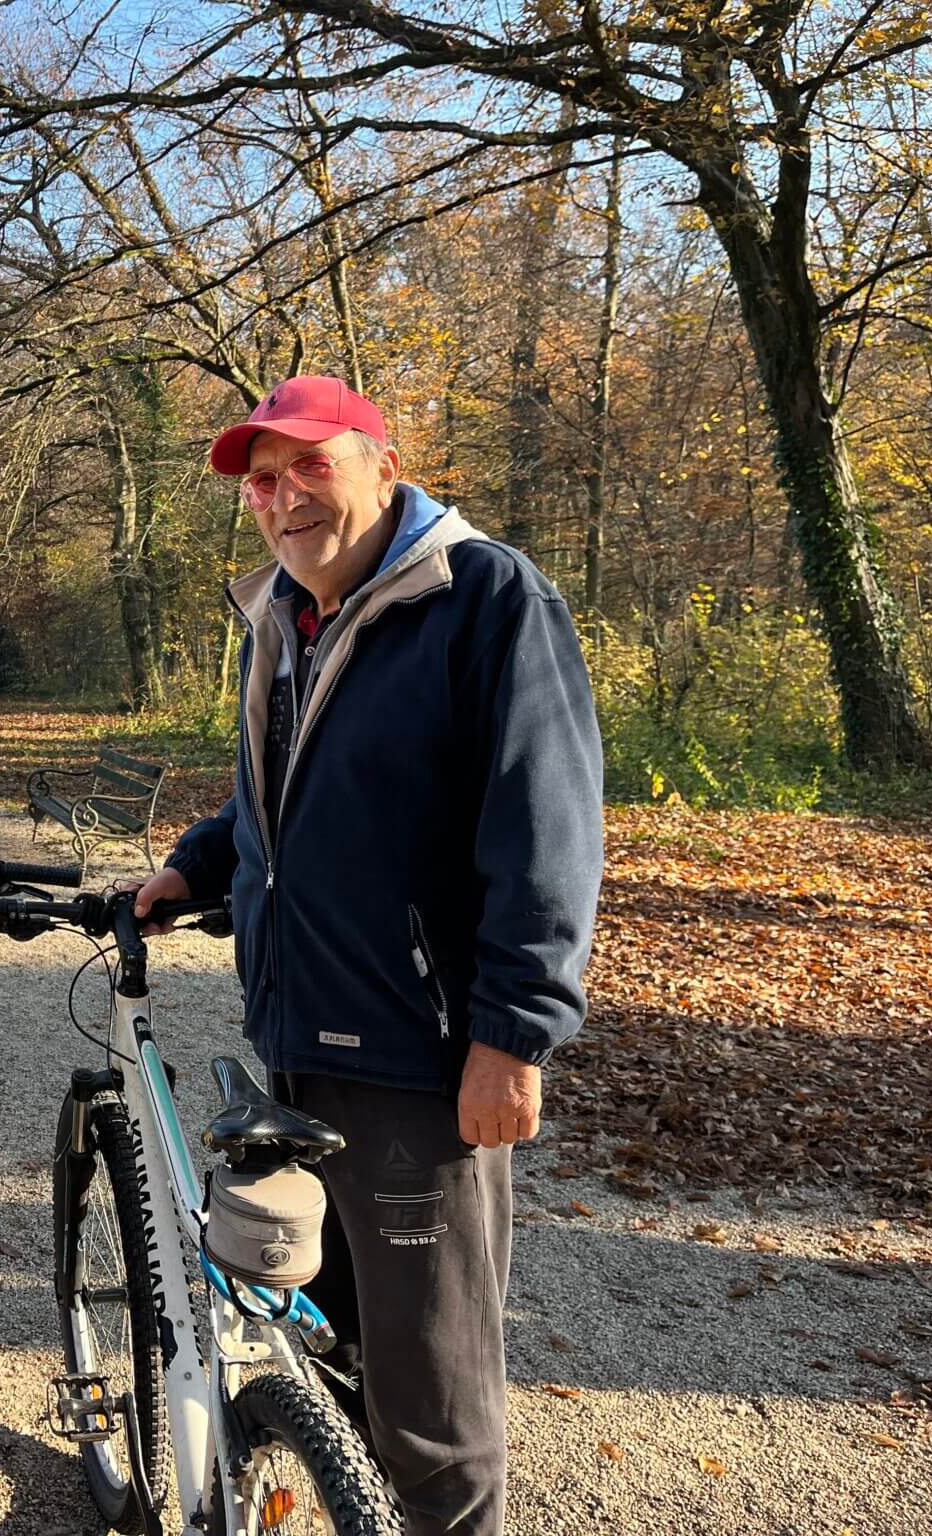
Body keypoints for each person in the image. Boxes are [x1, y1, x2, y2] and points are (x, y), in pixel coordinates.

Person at [133, 377, 603, 1534]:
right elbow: (287, 797)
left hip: (418, 1060)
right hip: (297, 1037)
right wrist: (200, 863)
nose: (280, 496)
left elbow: (544, 827)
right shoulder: (285, 615)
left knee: (432, 1408)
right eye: (257, 478)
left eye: (306, 464)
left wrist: (510, 1036)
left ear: (382, 467)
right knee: (331, 1345)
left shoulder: (481, 594)